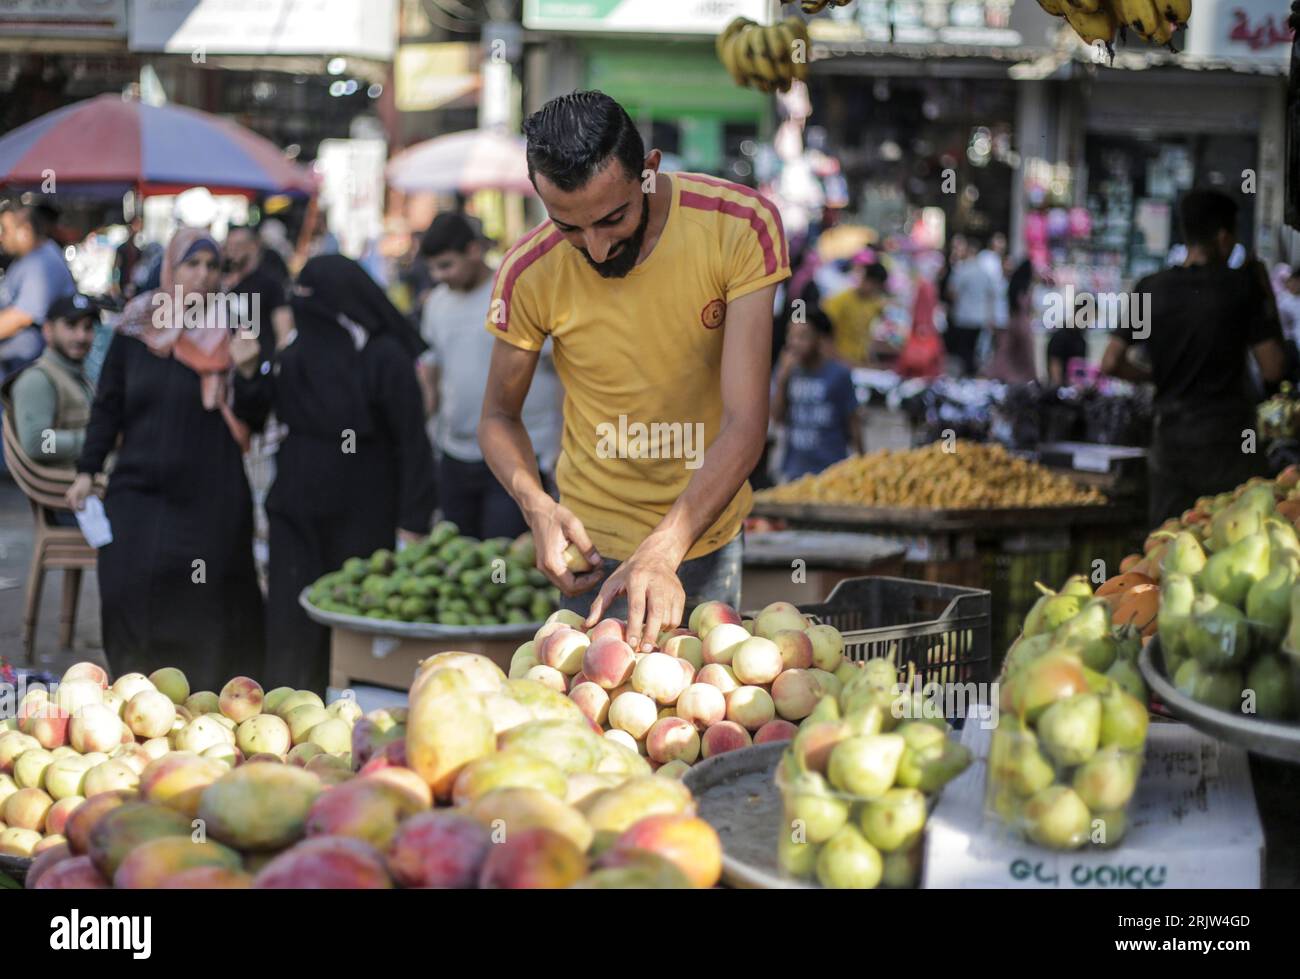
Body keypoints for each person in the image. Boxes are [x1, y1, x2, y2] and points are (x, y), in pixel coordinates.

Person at [478, 91, 789, 651]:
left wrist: (663, 550)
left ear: (649, 172)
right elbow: (499, 417)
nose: (595, 250)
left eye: (612, 218)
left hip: (707, 535)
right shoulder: (528, 272)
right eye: (568, 228)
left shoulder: (740, 226)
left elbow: (746, 421)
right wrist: (537, 506)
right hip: (591, 550)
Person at [66, 230, 265, 690]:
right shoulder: (135, 330)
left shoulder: (237, 330)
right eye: (191, 265)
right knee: (126, 587)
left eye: (212, 267)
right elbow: (108, 407)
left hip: (211, 493)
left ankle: (205, 702)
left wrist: (252, 370)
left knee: (204, 599)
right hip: (140, 489)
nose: (203, 276)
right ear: (170, 270)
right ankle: (135, 693)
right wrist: (86, 470)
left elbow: (256, 415)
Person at [232, 255, 437, 693]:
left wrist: (413, 523)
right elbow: (256, 411)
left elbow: (412, 444)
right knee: (293, 621)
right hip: (296, 512)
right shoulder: (296, 352)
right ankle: (287, 713)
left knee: (354, 623)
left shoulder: (383, 357)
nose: (300, 303)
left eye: (310, 294)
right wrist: (249, 372)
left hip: (363, 515)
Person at [1101, 189, 1287, 527]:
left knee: (1166, 548)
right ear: (1223, 237)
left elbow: (1111, 362)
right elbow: (1273, 366)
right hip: (1228, 446)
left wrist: (1153, 374)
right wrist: (1264, 294)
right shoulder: (1242, 287)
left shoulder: (1150, 287)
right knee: (1229, 541)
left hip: (1171, 444)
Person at [417, 212, 562, 539]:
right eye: (433, 268)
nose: (440, 276)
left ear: (473, 251)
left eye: (446, 265)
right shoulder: (436, 304)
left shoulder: (515, 291)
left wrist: (560, 445)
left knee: (505, 562)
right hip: (455, 455)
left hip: (519, 456)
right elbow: (432, 371)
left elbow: (561, 372)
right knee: (461, 558)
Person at [5, 293, 97, 468]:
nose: (81, 336)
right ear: (48, 330)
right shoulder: (37, 379)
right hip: (66, 489)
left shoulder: (76, 376)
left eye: (88, 327)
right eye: (71, 325)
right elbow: (38, 443)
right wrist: (98, 440)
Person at [772, 310, 861, 480]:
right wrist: (781, 381)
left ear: (819, 339)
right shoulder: (788, 372)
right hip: (795, 470)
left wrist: (862, 464)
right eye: (791, 336)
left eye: (802, 337)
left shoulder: (839, 374)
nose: (794, 343)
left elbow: (853, 423)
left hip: (831, 470)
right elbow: (777, 418)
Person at [0, 201, 75, 380]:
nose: (1, 237)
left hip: (26, 365)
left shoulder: (42, 262)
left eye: (5, 230)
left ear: (25, 231)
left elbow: (21, 317)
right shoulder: (26, 258)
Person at [222, 224, 292, 365]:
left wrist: (278, 363)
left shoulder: (269, 283)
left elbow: (284, 328)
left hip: (260, 363)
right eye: (229, 245)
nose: (232, 250)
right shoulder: (225, 283)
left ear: (254, 246)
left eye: (239, 245)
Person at [944, 234, 998, 376]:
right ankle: (971, 372)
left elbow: (952, 293)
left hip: (963, 317)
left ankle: (967, 374)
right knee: (973, 349)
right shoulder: (985, 272)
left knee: (963, 351)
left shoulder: (961, 270)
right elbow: (991, 295)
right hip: (979, 317)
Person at [822, 255, 887, 366]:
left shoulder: (874, 303)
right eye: (872, 284)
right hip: (838, 362)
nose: (874, 290)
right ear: (865, 279)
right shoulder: (839, 301)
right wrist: (843, 362)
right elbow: (823, 337)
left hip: (859, 363)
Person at [983, 258, 1038, 385]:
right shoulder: (1026, 288)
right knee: (1024, 354)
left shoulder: (1013, 286)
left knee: (1007, 353)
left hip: (1012, 323)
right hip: (1023, 324)